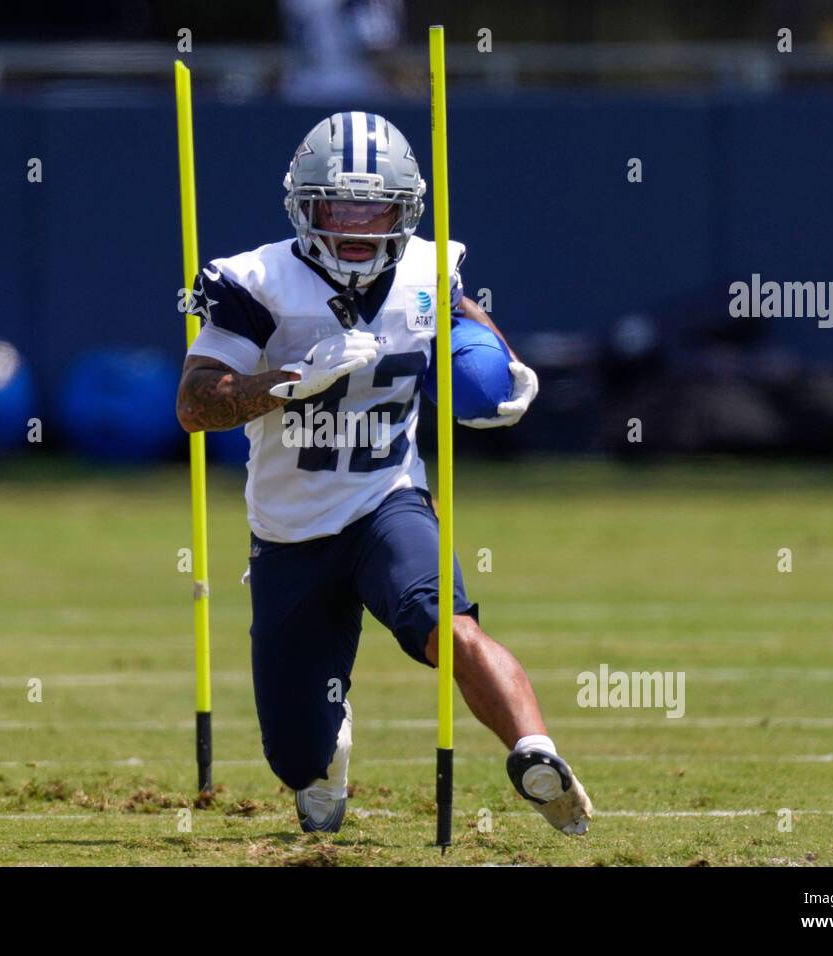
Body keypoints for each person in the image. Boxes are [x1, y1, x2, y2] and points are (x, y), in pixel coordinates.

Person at [175, 112, 592, 836]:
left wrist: (506, 369)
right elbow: (194, 404)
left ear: (410, 210)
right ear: (303, 205)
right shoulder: (257, 281)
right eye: (341, 206)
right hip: (291, 529)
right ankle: (325, 754)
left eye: (379, 209)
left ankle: (535, 753)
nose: (360, 226)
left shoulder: (430, 269)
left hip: (387, 503)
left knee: (450, 629)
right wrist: (289, 381)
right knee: (297, 760)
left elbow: (468, 324)